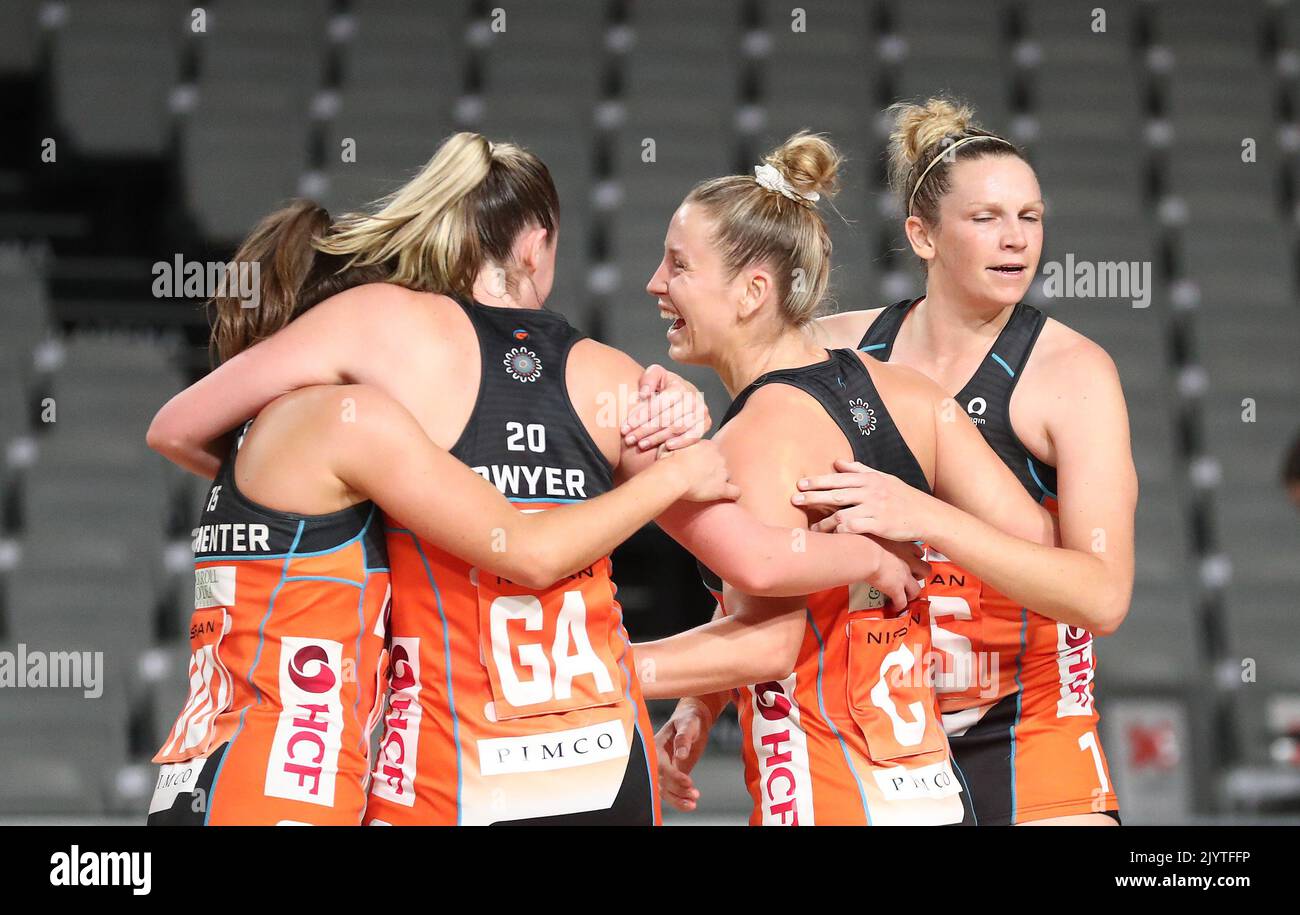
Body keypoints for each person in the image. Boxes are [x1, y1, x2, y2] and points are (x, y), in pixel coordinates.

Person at [148, 133, 918, 824]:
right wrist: (874, 555)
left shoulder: (378, 338)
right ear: (538, 245)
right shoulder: (615, 379)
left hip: (439, 776)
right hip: (604, 767)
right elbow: (758, 568)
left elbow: (176, 427)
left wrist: (338, 505)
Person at [149, 203, 737, 825]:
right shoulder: (345, 422)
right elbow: (528, 548)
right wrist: (675, 470)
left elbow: (172, 431)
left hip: (207, 769)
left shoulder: (258, 440)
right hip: (285, 790)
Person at [662, 101, 1138, 826]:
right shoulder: (841, 351)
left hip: (1023, 723)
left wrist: (925, 516)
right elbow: (767, 531)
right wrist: (702, 699)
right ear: (922, 234)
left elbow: (1100, 597)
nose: (1016, 240)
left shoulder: (1072, 374)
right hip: (881, 725)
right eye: (986, 218)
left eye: (1031, 217)